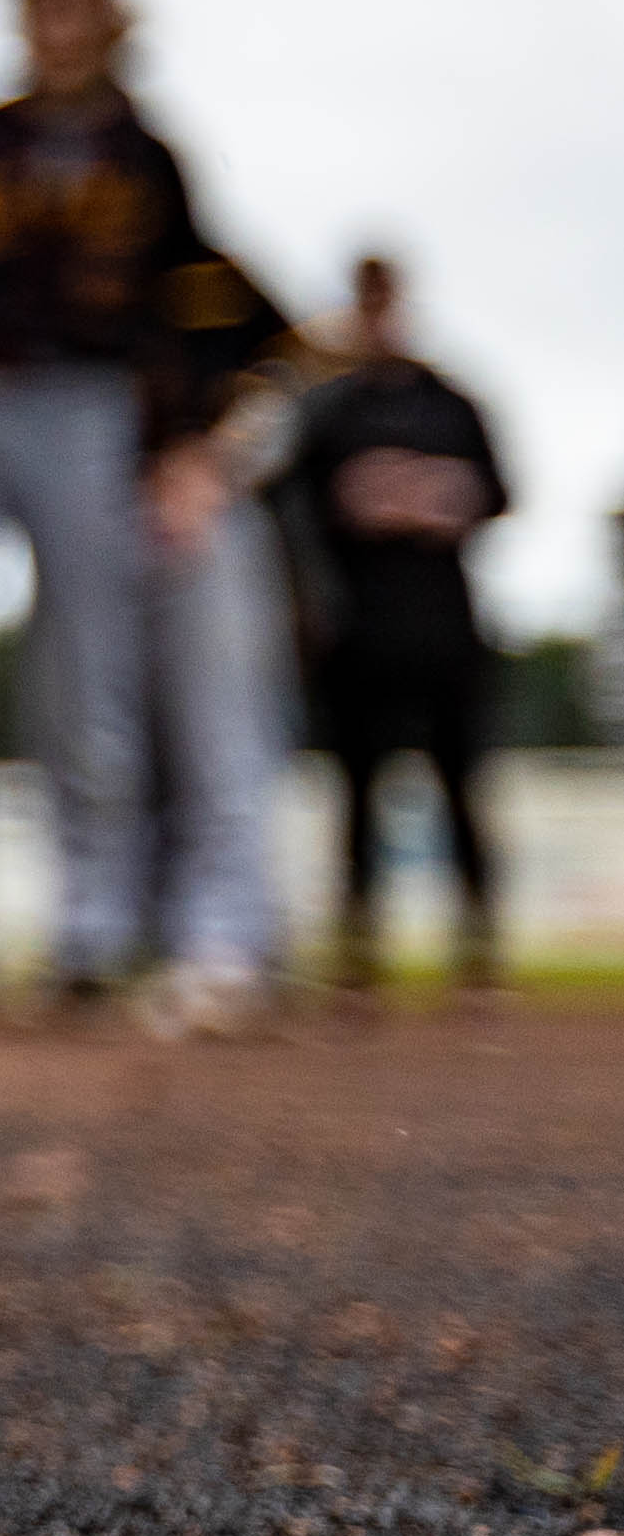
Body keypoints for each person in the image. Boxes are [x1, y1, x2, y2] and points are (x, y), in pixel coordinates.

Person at [0, 0, 279, 1023]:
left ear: (108, 17)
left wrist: (184, 444)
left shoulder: (146, 157)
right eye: (39, 1)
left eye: (73, 2)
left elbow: (191, 318)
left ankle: (92, 926)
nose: (54, 22)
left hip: (88, 401)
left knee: (84, 676)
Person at [278, 254, 513, 1001]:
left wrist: (443, 495)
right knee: (357, 792)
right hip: (357, 629)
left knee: (463, 784)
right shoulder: (328, 410)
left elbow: (500, 493)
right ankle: (358, 948)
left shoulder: (452, 403)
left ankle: (478, 950)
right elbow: (291, 507)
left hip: (444, 624)